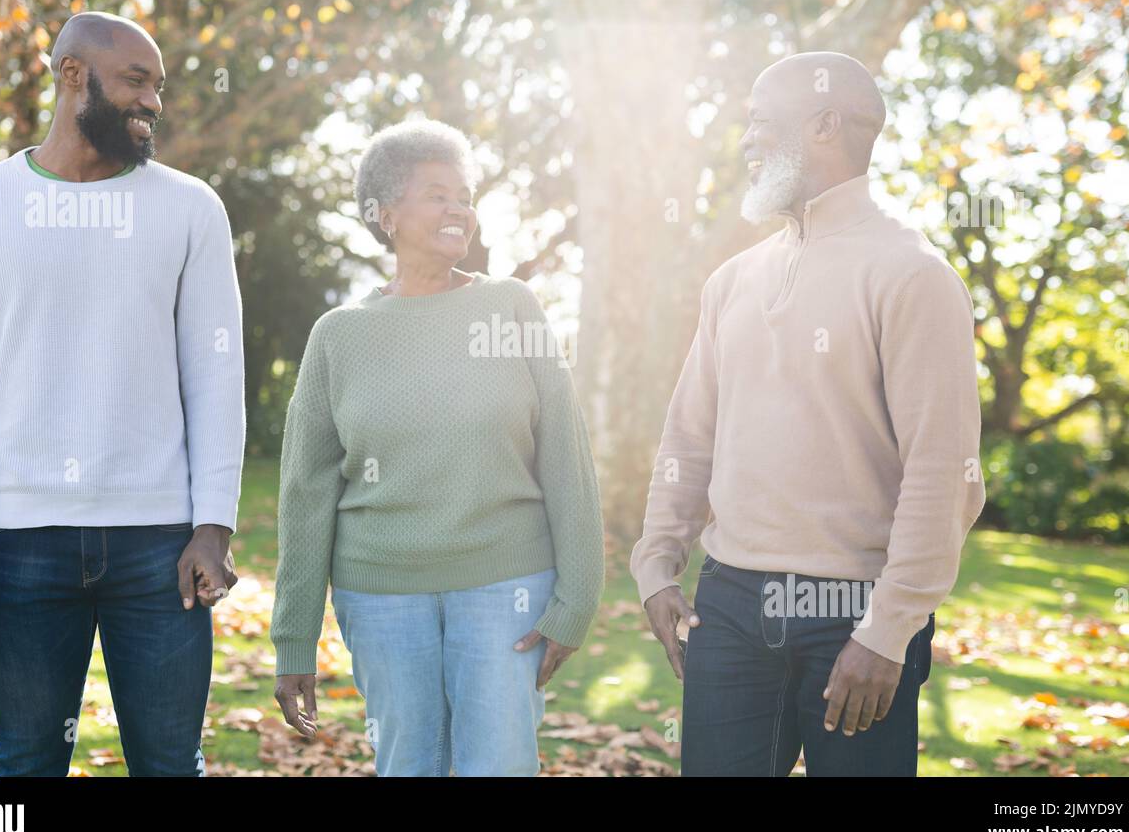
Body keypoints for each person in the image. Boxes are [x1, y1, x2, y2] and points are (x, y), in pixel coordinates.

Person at [631, 51, 985, 776]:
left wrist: (887, 632)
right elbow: (689, 436)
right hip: (728, 601)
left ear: (826, 124)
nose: (746, 138)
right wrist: (657, 563)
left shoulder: (914, 275)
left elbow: (942, 472)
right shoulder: (733, 280)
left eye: (761, 120)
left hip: (857, 607)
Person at [0, 12, 245, 776]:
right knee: (27, 763)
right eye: (136, 80)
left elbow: (216, 371)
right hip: (26, 546)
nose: (153, 102)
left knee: (170, 764)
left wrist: (214, 525)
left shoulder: (192, 209)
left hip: (162, 545)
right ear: (72, 75)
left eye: (158, 87)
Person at [272, 119, 604, 776]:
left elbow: (567, 457)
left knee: (499, 764)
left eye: (464, 195)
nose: (459, 208)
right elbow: (305, 493)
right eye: (437, 193)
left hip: (506, 584)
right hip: (381, 595)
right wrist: (293, 640)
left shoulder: (513, 307)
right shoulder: (339, 336)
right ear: (385, 212)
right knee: (409, 764)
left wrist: (578, 598)